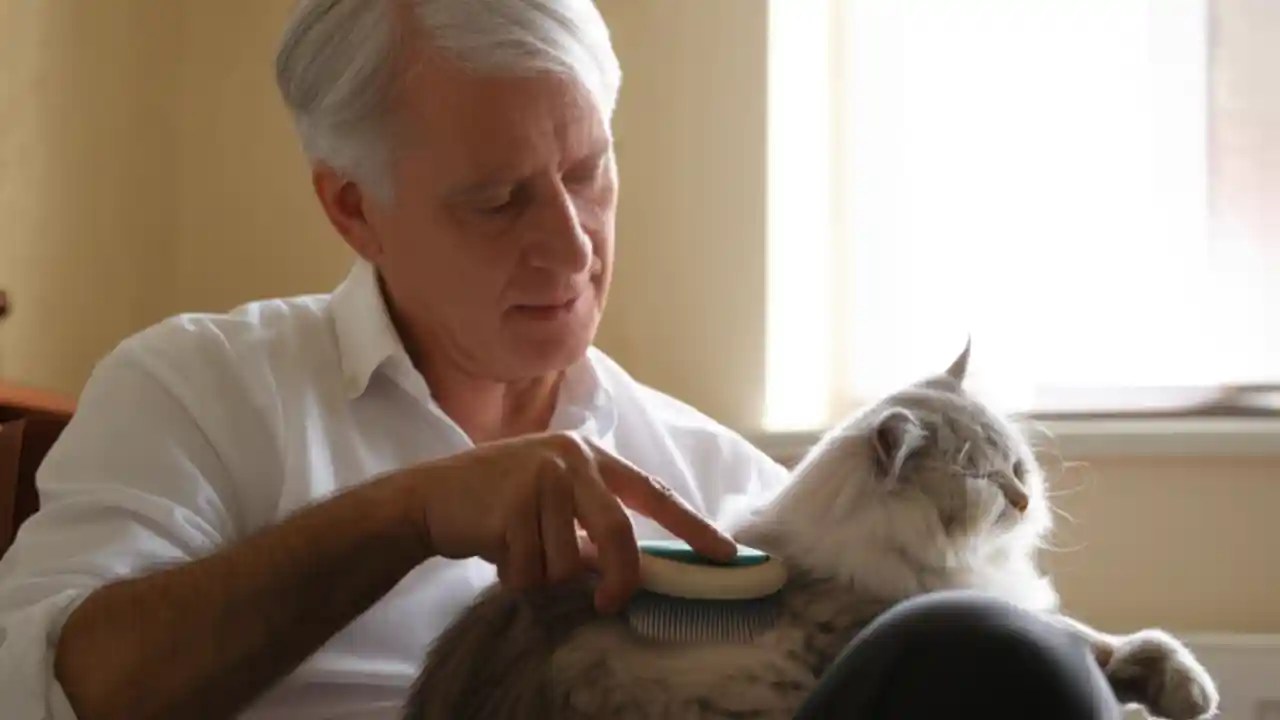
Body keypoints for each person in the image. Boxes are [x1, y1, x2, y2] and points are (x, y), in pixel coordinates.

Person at [0, 2, 1120, 719]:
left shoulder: (714, 483)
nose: (573, 246)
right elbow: (54, 689)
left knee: (1002, 663)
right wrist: (407, 514)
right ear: (353, 209)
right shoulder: (193, 391)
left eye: (588, 172)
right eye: (496, 201)